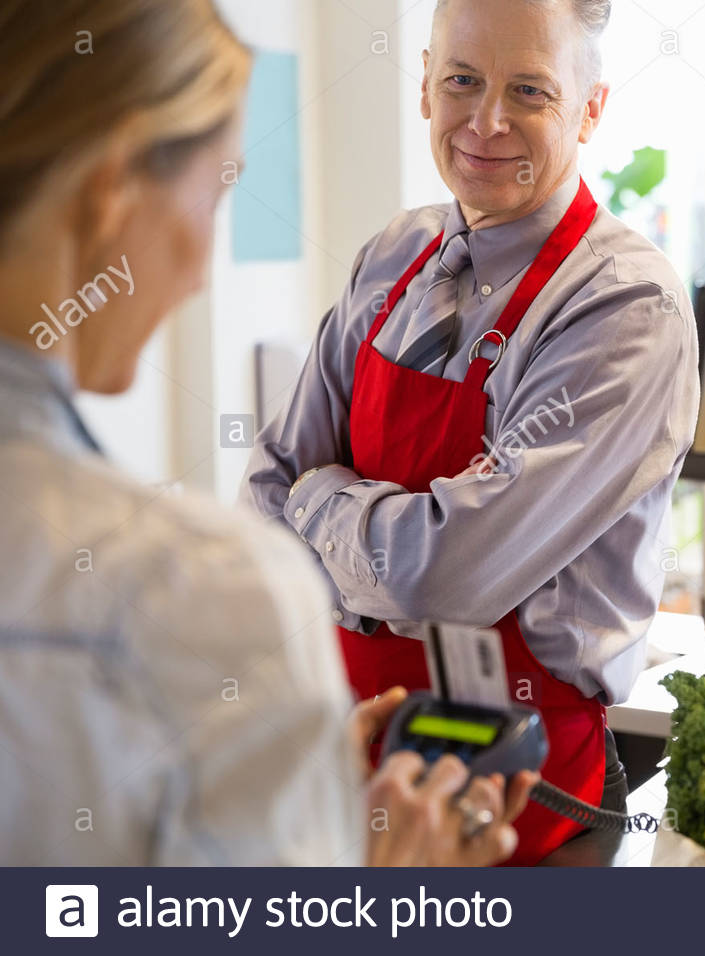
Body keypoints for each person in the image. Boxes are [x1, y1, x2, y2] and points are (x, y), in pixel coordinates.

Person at [0, 0, 533, 866]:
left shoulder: (622, 304)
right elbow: (299, 501)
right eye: (214, 195)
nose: (203, 271)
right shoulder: (202, 589)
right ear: (110, 189)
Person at [242, 0, 700, 866]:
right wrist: (365, 528)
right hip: (354, 772)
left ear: (591, 109)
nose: (487, 121)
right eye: (462, 81)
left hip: (521, 800)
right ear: (424, 84)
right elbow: (264, 495)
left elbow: (442, 576)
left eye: (530, 89)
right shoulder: (394, 255)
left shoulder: (623, 307)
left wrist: (323, 498)